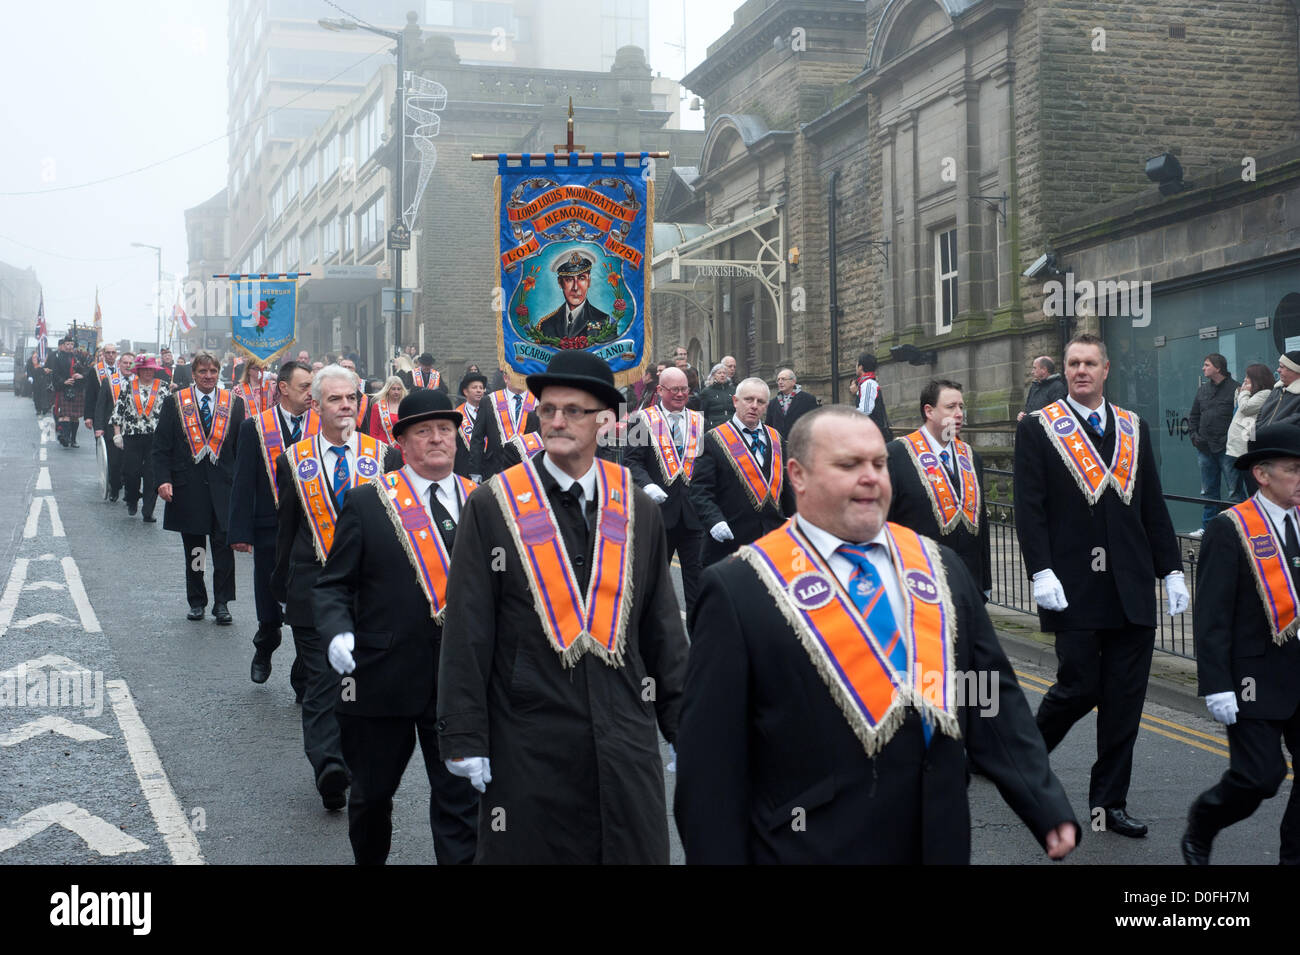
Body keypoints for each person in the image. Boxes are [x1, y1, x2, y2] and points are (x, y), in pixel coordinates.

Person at [674, 405, 1081, 863]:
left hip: (938, 842)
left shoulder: (940, 567)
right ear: (798, 476)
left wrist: (1045, 804)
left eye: (879, 463)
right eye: (849, 465)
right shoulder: (738, 587)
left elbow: (990, 697)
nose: (870, 477)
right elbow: (709, 771)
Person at [436, 349, 688, 863]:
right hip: (529, 734)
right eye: (547, 409)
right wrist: (464, 732)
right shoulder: (493, 504)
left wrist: (687, 724)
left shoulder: (637, 507)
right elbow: (467, 626)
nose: (555, 421)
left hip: (624, 735)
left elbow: (662, 627)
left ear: (605, 421)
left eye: (572, 410)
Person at [1014, 333, 1186, 838]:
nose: (1080, 370)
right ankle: (1019, 760)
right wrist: (1039, 570)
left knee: (1125, 700)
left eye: (1089, 363)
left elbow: (1151, 504)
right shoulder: (1041, 429)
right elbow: (1030, 508)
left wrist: (1171, 568)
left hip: (1131, 587)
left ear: (1106, 369)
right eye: (1072, 363)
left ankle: (1109, 803)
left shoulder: (1135, 426)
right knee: (1078, 687)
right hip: (1072, 585)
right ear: (1063, 370)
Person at [314, 389, 480, 864]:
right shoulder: (369, 502)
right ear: (401, 441)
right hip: (381, 678)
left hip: (458, 684)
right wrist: (338, 632)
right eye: (423, 430)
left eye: (445, 429)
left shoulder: (482, 501)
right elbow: (332, 585)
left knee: (461, 803)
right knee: (370, 798)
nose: (436, 439)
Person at [272, 365, 402, 811]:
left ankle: (354, 758)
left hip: (371, 593)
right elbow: (286, 530)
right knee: (323, 682)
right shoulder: (293, 459)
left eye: (352, 399)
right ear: (316, 405)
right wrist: (280, 587)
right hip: (312, 588)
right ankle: (329, 765)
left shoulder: (385, 456)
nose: (345, 406)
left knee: (362, 682)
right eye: (335, 399)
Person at [1182, 423, 1300, 865]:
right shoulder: (1231, 529)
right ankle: (1204, 822)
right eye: (1293, 470)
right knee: (1261, 778)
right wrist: (1216, 683)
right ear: (1263, 475)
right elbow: (1211, 615)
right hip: (1252, 676)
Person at [229, 359, 318, 690]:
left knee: (304, 598)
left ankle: (303, 670)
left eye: (313, 386)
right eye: (304, 387)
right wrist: (239, 531)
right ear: (283, 388)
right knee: (268, 596)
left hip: (311, 530)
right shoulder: (254, 427)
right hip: (269, 525)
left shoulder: (321, 427)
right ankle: (265, 643)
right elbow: (243, 482)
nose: (311, 393)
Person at [152, 351, 246, 623]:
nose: (208, 377)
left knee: (223, 549)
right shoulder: (175, 403)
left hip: (224, 490)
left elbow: (241, 449)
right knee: (196, 552)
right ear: (193, 374)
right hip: (188, 489)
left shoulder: (234, 404)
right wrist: (163, 479)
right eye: (203, 372)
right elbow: (161, 447)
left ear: (219, 374)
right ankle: (197, 601)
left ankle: (222, 603)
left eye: (213, 372)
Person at [887, 379, 991, 599]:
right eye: (951, 407)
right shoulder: (896, 455)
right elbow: (887, 522)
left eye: (961, 407)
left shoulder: (971, 457)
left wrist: (985, 582)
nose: (959, 413)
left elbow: (981, 525)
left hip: (968, 584)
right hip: (919, 583)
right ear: (929, 411)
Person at [625, 366, 705, 615]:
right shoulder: (641, 420)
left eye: (685, 389)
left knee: (698, 589)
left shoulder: (699, 420)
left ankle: (699, 649)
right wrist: (648, 485)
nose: (681, 395)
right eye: (675, 390)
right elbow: (630, 461)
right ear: (660, 390)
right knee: (652, 587)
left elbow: (705, 466)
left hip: (693, 518)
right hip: (658, 516)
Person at [689, 377, 790, 566]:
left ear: (766, 405)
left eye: (760, 402)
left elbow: (785, 486)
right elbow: (699, 490)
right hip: (729, 541)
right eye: (748, 399)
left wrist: (793, 518)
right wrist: (714, 521)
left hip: (771, 540)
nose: (754, 406)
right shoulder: (712, 440)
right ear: (735, 401)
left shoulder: (776, 438)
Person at [111, 354, 170, 521]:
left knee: (152, 474)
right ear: (138, 371)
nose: (148, 373)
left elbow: (170, 413)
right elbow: (118, 411)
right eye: (144, 369)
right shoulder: (128, 386)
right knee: (131, 472)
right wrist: (117, 434)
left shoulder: (164, 387)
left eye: (150, 369)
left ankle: (148, 510)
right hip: (132, 436)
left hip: (155, 437)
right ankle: (131, 498)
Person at [1187, 353, 1239, 533]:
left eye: (1207, 365)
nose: (1203, 368)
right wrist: (1194, 436)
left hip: (1227, 449)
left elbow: (1239, 419)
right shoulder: (1202, 390)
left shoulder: (1236, 389)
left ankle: (1238, 529)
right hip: (1204, 448)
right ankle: (1207, 528)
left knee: (1234, 492)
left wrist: (1227, 439)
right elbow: (1193, 415)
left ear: (1218, 367)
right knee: (1208, 491)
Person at [467, 375, 542, 481]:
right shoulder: (488, 401)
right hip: (494, 470)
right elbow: (477, 438)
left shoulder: (538, 402)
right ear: (506, 378)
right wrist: (475, 471)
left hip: (529, 470)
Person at [1225, 363, 1275, 502]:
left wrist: (1243, 392)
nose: (1245, 380)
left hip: (1245, 448)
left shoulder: (1265, 394)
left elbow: (1245, 408)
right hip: (1234, 448)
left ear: (1257, 379)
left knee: (1252, 488)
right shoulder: (1249, 394)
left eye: (1248, 377)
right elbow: (1238, 409)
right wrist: (1241, 393)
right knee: (1234, 491)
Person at [536, 252, 611, 341]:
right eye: (569, 279)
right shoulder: (546, 324)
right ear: (560, 283)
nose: (575, 287)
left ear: (589, 281)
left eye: (581, 278)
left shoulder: (604, 321)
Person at [92, 349, 133, 503]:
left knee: (130, 464)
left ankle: (130, 492)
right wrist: (99, 427)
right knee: (114, 463)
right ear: (119, 364)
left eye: (131, 363)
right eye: (125, 363)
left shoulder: (138, 382)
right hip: (111, 428)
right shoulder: (109, 381)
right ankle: (114, 489)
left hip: (132, 430)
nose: (128, 366)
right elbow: (101, 406)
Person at [46, 336, 86, 447]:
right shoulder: (58, 358)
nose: (69, 347)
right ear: (63, 345)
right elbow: (55, 374)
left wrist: (81, 375)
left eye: (71, 344)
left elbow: (86, 370)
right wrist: (64, 381)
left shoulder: (78, 357)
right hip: (64, 388)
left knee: (75, 416)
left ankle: (73, 440)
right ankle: (66, 437)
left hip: (76, 388)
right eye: (67, 344)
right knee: (65, 414)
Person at [766, 367, 819, 440]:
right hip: (779, 446)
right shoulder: (773, 403)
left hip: (799, 443)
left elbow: (814, 423)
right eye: (778, 379)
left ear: (793, 381)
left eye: (783, 379)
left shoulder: (807, 399)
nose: (780, 382)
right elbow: (769, 426)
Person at [453, 371, 487, 476]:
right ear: (465, 392)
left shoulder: (490, 412)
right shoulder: (457, 415)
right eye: (474, 387)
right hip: (463, 469)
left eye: (481, 388)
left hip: (487, 469)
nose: (479, 391)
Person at [852, 352, 892, 441]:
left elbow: (865, 410)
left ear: (861, 367)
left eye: (856, 365)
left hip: (874, 435)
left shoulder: (868, 384)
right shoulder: (866, 384)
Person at [1257, 350, 1300, 429]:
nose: (1278, 370)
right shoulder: (1277, 389)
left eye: (1281, 367)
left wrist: (1266, 434)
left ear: (1295, 370)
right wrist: (1253, 438)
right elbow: (1259, 416)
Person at [1018, 356, 1068, 421]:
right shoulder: (1034, 386)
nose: (1032, 372)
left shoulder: (1057, 387)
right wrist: (1022, 416)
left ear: (1044, 369)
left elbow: (1057, 415)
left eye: (1034, 368)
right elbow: (1028, 410)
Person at [367, 376, 406, 444]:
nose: (396, 392)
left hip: (402, 446)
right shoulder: (378, 407)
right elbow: (373, 432)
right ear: (388, 390)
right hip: (384, 447)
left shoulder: (406, 406)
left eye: (399, 389)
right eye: (393, 389)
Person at [696, 362, 733, 428]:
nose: (722, 375)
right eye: (719, 373)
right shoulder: (707, 392)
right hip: (715, 427)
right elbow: (702, 413)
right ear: (713, 375)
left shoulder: (733, 390)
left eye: (724, 373)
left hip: (731, 426)